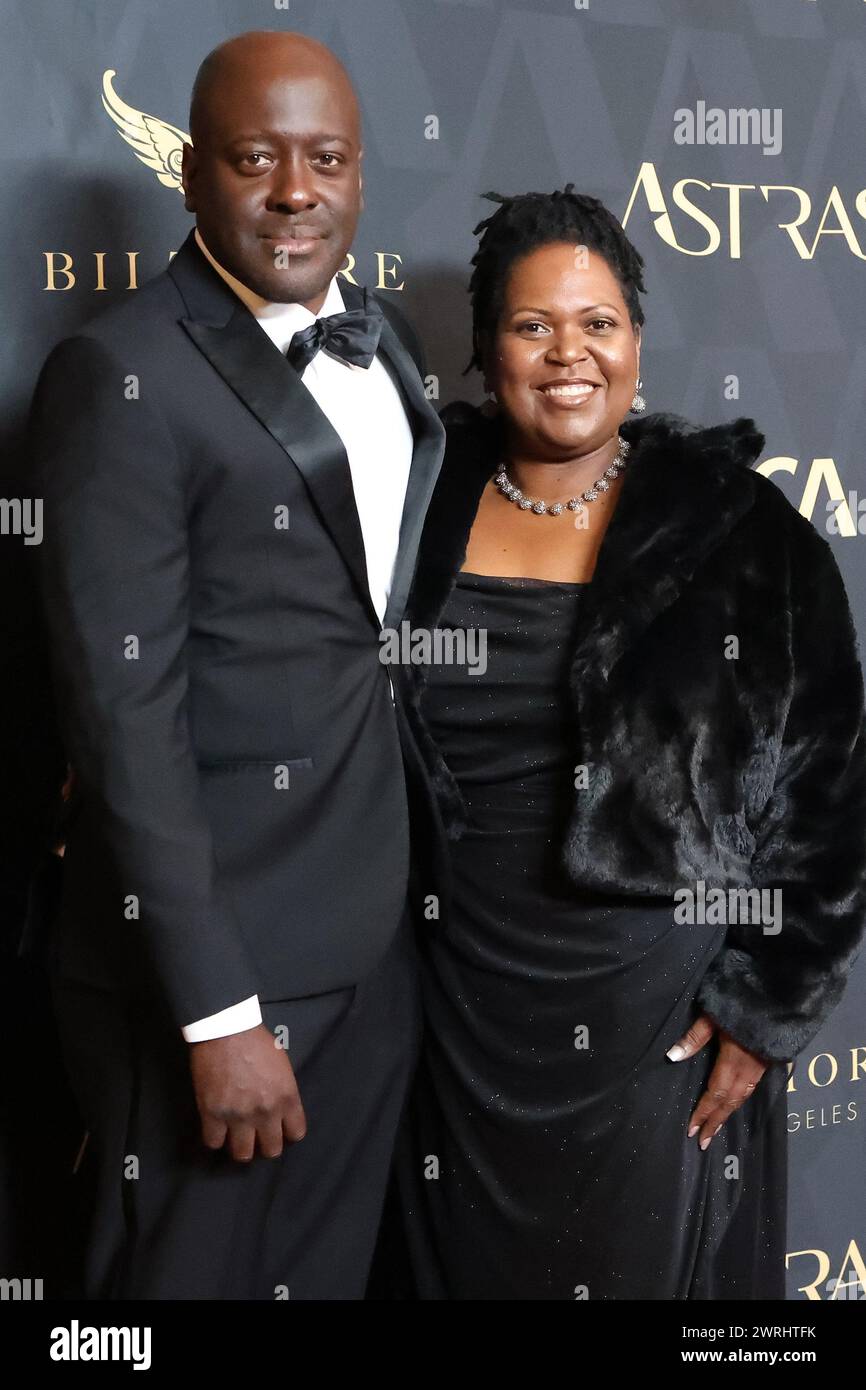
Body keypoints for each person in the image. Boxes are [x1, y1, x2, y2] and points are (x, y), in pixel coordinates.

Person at [387, 186, 866, 1299]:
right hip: (449, 1001)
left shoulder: (741, 531)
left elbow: (830, 797)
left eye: (597, 323)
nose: (569, 354)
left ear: (636, 342)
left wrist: (764, 1006)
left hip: (653, 1015)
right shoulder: (415, 502)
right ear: (486, 347)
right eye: (531, 324)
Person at [28, 30, 444, 1300]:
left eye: (325, 159)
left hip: (369, 945)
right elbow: (122, 711)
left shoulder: (390, 350)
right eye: (255, 159)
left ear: (361, 176)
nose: (293, 191)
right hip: (213, 973)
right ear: (193, 173)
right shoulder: (122, 372)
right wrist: (217, 1011)